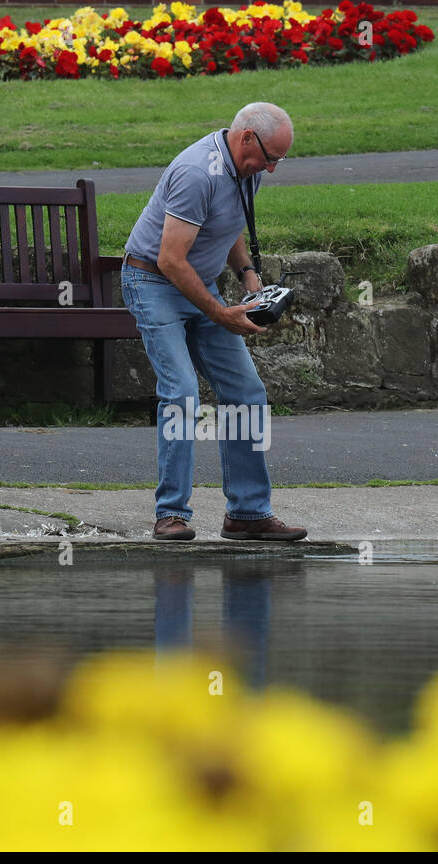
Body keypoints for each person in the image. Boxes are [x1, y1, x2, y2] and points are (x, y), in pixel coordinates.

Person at [121, 101, 308, 542]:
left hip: (196, 283)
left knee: (247, 391)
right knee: (182, 393)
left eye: (279, 160)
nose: (273, 169)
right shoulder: (196, 173)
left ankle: (247, 513)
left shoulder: (247, 169)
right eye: (270, 158)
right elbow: (169, 258)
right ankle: (171, 514)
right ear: (247, 138)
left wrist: (247, 275)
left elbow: (228, 224)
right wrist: (219, 312)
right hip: (153, 281)